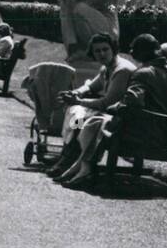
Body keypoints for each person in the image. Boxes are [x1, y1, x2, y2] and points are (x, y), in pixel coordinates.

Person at [46, 33, 136, 182]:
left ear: (113, 49)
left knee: (79, 113)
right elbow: (90, 86)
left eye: (105, 49)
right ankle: (67, 156)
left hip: (119, 116)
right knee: (76, 113)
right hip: (107, 113)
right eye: (97, 51)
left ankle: (68, 160)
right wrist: (75, 93)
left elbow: (106, 103)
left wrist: (78, 101)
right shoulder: (106, 67)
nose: (101, 54)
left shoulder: (122, 70)